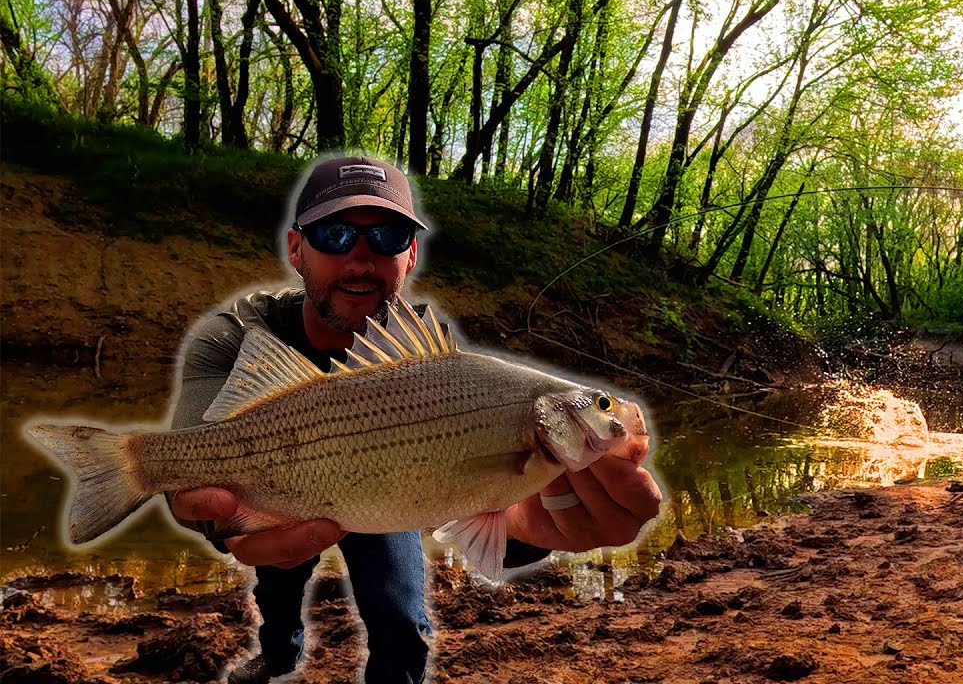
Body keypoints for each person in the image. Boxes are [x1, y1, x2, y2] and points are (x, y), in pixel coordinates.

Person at [165, 154, 664, 683]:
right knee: (278, 576)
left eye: (387, 237)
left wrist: (527, 530)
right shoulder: (236, 332)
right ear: (295, 247)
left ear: (410, 254)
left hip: (393, 493)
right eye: (334, 235)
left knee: (401, 615)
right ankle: (280, 652)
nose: (360, 259)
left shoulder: (434, 361)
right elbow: (190, 464)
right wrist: (210, 516)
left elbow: (482, 500)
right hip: (284, 482)